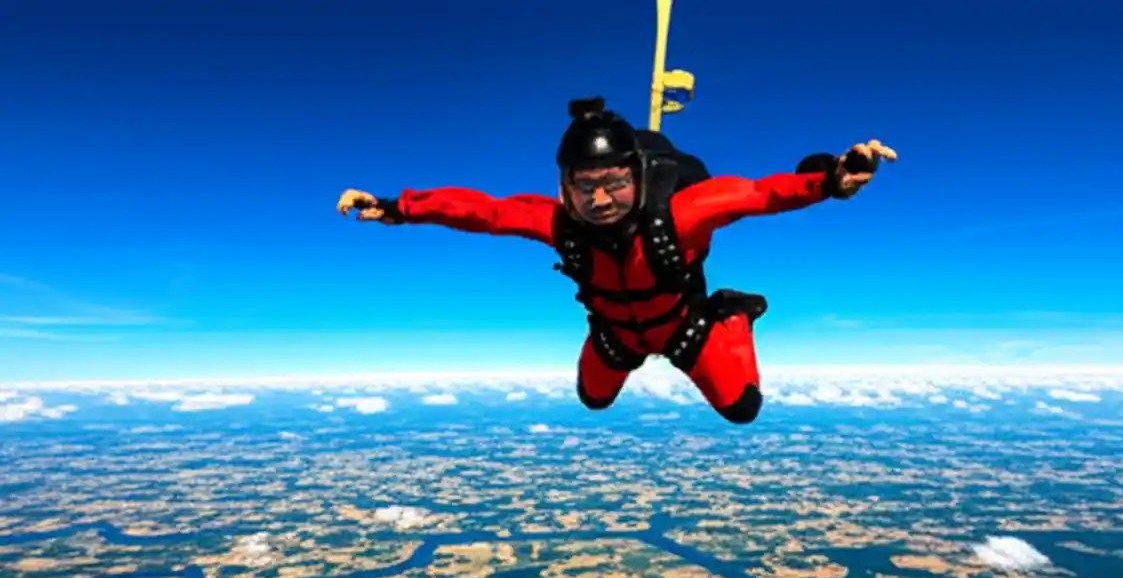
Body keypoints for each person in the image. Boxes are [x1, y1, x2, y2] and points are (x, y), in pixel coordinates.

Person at [336, 97, 896, 424]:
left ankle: (734, 314)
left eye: (614, 184)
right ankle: (668, 341)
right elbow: (481, 211)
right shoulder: (561, 225)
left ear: (638, 177)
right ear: (564, 188)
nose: (600, 201)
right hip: (617, 335)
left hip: (685, 327)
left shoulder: (683, 214)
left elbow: (759, 193)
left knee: (742, 406)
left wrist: (831, 179)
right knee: (593, 399)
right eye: (585, 188)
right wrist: (396, 208)